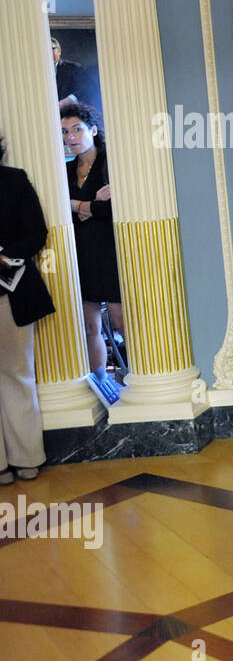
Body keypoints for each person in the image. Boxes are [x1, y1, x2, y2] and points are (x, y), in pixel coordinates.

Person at [0, 136, 56, 484]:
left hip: (10, 289)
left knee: (17, 373)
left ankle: (26, 456)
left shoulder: (14, 179)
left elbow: (37, 232)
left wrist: (4, 256)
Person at [61, 102, 125, 397]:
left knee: (122, 321)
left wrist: (75, 205)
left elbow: (112, 209)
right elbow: (58, 212)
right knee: (88, 326)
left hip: (109, 250)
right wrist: (90, 207)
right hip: (81, 252)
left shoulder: (109, 162)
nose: (71, 136)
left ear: (93, 130)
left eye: (77, 129)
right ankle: (101, 387)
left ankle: (137, 379)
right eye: (64, 132)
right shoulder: (64, 170)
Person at [52, 38, 94, 109]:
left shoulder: (73, 68)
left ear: (59, 51)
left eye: (52, 49)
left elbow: (89, 88)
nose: (48, 52)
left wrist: (70, 100)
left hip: (69, 114)